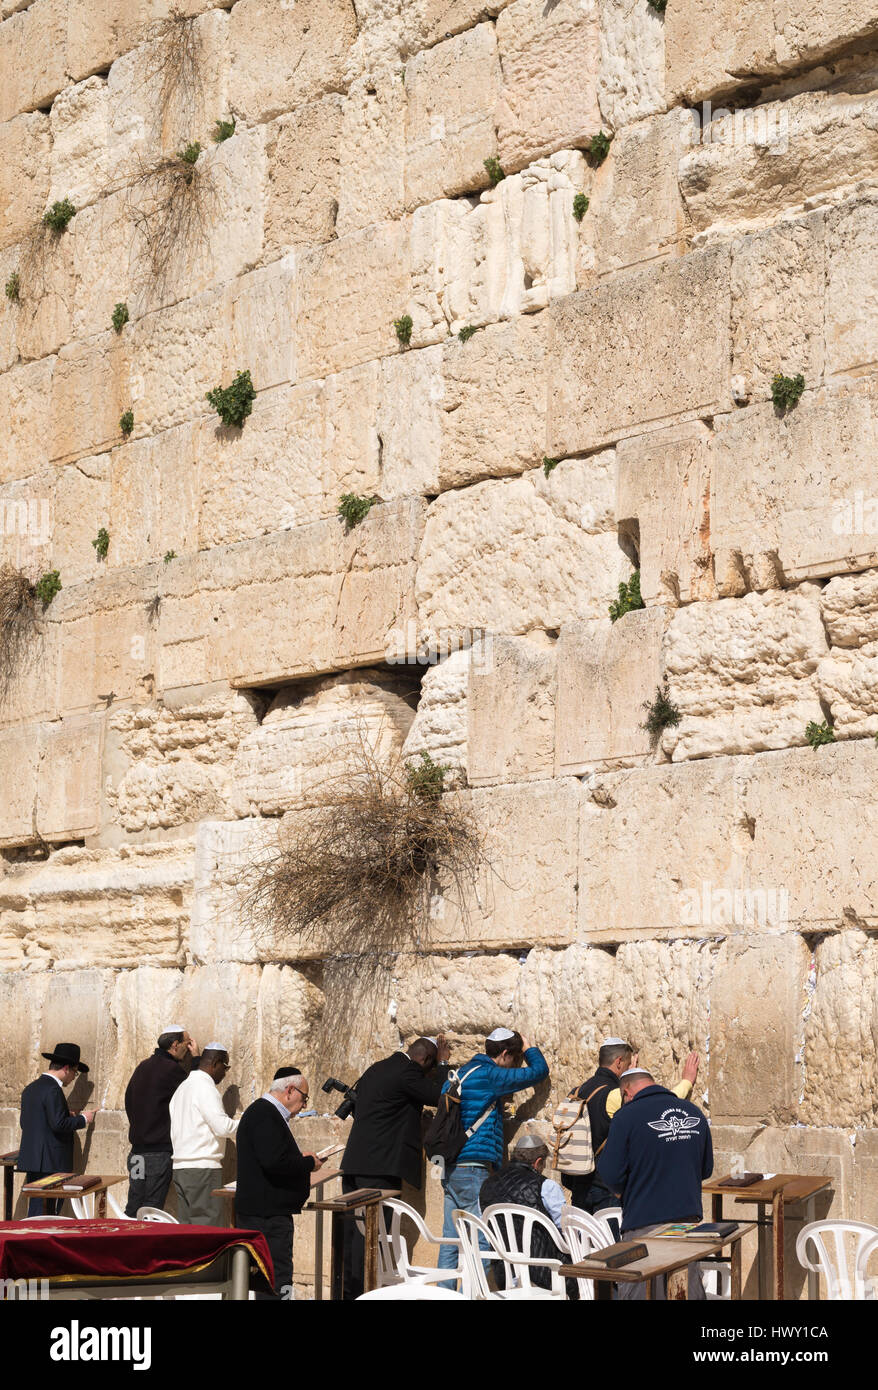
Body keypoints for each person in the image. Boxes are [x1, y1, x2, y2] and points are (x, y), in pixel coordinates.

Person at [340, 1035, 451, 1300]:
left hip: (356, 1163)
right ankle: (367, 1293)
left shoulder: (377, 1067)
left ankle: (351, 1293)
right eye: (431, 1067)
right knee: (375, 1236)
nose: (431, 1073)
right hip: (380, 1168)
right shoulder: (407, 1072)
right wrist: (445, 1065)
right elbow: (440, 1095)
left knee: (355, 1235)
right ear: (424, 1059)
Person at [436, 1027, 549, 1283]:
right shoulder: (490, 1074)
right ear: (507, 1053)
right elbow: (538, 1072)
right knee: (483, 1237)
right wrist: (529, 1048)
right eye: (513, 1060)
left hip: (450, 1166)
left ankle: (444, 1293)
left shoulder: (459, 1074)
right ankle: (481, 1292)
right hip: (474, 1167)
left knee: (450, 1240)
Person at [597, 1065, 713, 1300]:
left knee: (643, 1291)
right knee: (685, 1291)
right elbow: (706, 1168)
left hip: (644, 1224)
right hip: (687, 1225)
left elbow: (609, 1173)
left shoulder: (626, 1117)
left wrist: (624, 1191)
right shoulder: (693, 1112)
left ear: (627, 1092)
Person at [566, 1038, 700, 1218]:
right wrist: (686, 1082)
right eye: (628, 1063)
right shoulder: (613, 1094)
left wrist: (628, 1076)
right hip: (605, 1191)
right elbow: (655, 1107)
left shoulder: (577, 1091)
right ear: (619, 1061)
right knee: (614, 1245)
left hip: (579, 1183)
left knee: (586, 1243)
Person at [236, 1069, 324, 1299]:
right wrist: (307, 1163)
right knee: (276, 1278)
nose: (304, 1105)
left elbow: (271, 1156)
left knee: (266, 1278)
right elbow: (274, 1163)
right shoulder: (266, 1114)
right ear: (290, 1090)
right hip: (268, 1217)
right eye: (304, 1098)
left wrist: (299, 1159)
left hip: (262, 1212)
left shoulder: (261, 1112)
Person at [123, 1025, 197, 1216]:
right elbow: (193, 1090)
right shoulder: (171, 1070)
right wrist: (196, 1060)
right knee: (151, 1207)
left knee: (134, 1203)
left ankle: (126, 1242)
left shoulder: (143, 1066)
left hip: (137, 1155)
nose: (187, 1049)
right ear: (175, 1044)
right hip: (157, 1156)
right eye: (186, 1044)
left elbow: (128, 1100)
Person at [18, 1043, 96, 1215]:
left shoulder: (31, 1089)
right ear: (67, 1068)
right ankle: (39, 1241)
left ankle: (33, 1240)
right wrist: (83, 1119)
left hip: (34, 1159)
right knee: (47, 1212)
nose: (73, 1078)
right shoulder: (53, 1090)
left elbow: (27, 1122)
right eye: (75, 1073)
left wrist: (63, 1114)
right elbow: (58, 1124)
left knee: (37, 1208)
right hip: (51, 1160)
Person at [479, 1133, 565, 1291]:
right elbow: (565, 1227)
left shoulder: (486, 1185)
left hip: (503, 1272)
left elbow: (485, 1228)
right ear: (538, 1162)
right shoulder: (546, 1186)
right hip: (544, 1271)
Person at [169, 1043, 238, 1225]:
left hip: (181, 1168)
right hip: (202, 1169)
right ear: (215, 1063)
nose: (225, 1073)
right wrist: (249, 1123)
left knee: (189, 1230)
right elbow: (222, 1127)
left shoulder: (182, 1088)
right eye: (225, 1067)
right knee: (209, 1229)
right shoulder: (205, 1088)